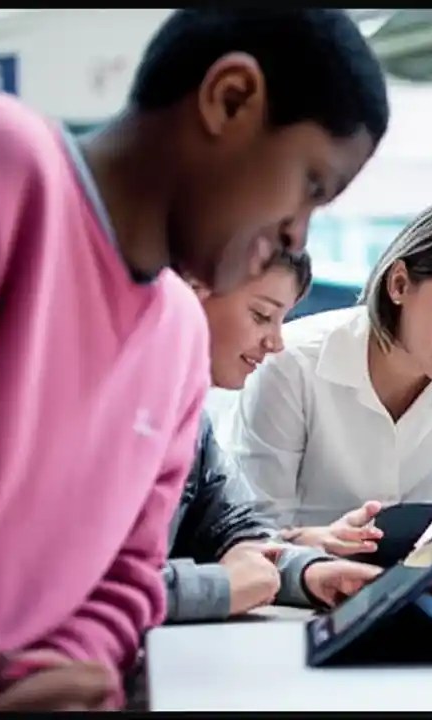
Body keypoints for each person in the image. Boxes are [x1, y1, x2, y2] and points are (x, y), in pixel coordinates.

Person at [0, 9, 387, 710]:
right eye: (311, 185)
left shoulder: (179, 342)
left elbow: (123, 578)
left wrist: (59, 674)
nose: (297, 232)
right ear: (229, 98)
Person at [211, 197, 432, 557]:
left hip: (407, 590)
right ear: (399, 284)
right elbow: (253, 532)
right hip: (291, 591)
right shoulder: (292, 363)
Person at [167, 249, 391, 623]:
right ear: (191, 291)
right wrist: (218, 588)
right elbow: (77, 591)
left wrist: (310, 573)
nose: (276, 342)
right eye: (261, 316)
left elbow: (237, 530)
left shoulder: (189, 422)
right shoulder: (89, 414)